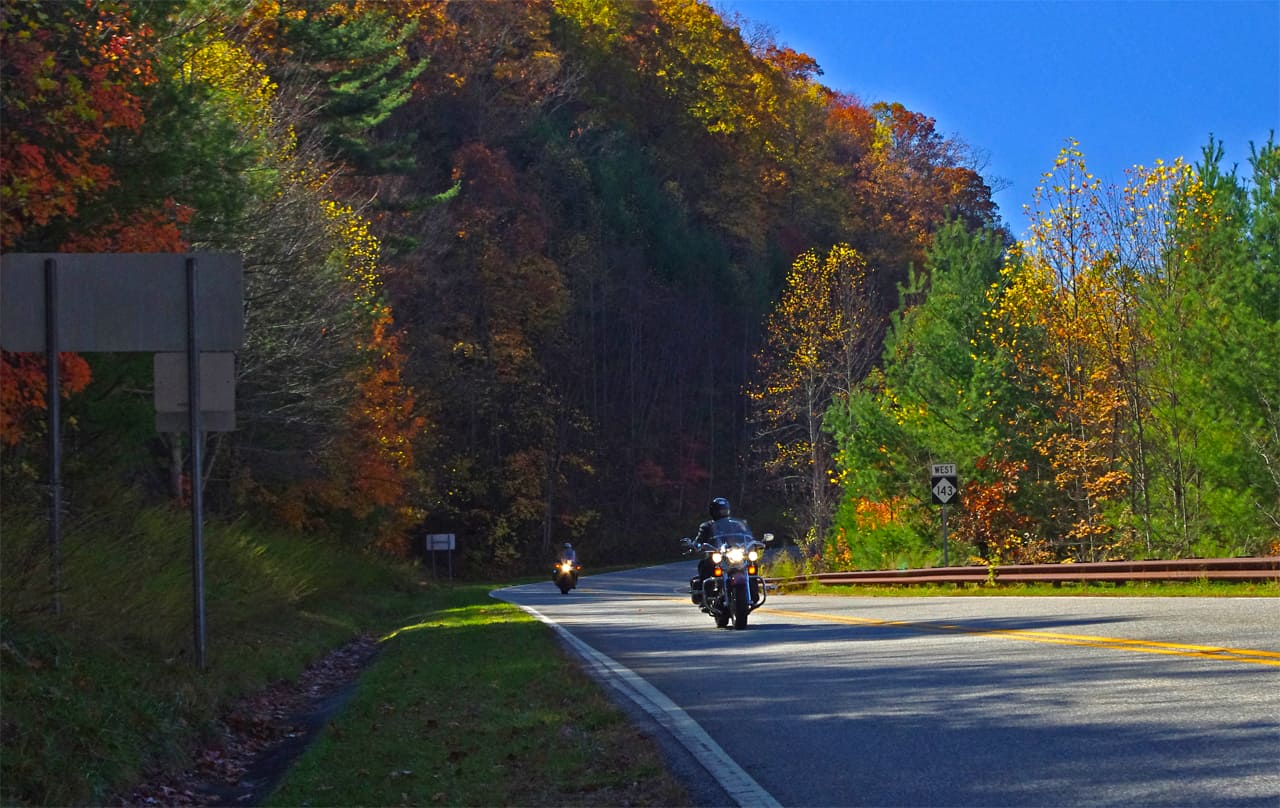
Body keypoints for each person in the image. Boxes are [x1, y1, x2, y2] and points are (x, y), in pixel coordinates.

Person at [690, 497, 733, 602]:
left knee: (749, 564)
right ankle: (706, 596)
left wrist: (751, 543)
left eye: (725, 511)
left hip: (731, 556)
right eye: (721, 511)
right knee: (705, 565)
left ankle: (752, 589)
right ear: (713, 511)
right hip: (715, 555)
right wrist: (697, 545)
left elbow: (743, 536)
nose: (723, 513)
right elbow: (699, 540)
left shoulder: (733, 524)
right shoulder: (707, 526)